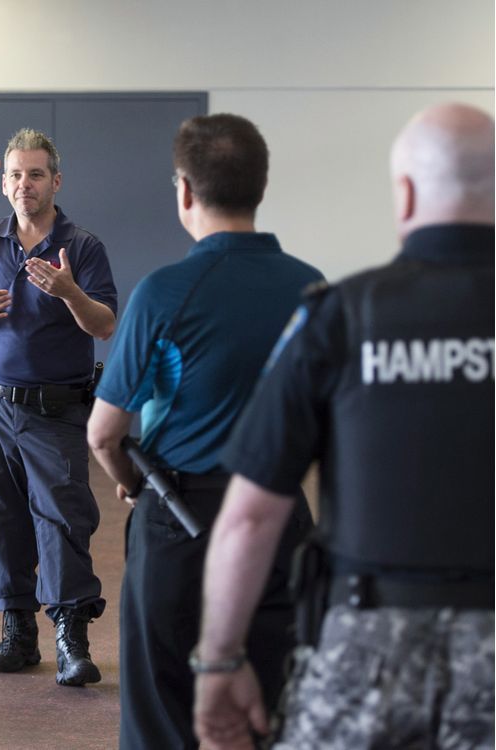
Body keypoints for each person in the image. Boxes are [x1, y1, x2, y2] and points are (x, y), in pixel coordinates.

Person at [193, 103, 495, 750]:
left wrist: (218, 660)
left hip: (370, 651)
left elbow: (250, 517)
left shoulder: (342, 317)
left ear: (406, 193)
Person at [87, 113, 323, 748]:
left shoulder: (166, 292)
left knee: (164, 713)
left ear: (185, 191)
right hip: (282, 522)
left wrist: (134, 486)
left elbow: (103, 434)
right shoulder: (312, 289)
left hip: (181, 521)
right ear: (260, 188)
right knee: (272, 707)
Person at [0, 127, 117, 687]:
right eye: (17, 174)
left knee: (62, 518)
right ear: (4, 183)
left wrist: (71, 293)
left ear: (55, 181)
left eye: (37, 174)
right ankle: (18, 632)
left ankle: (71, 636)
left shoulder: (83, 246)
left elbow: (105, 324)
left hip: (55, 408)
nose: (26, 184)